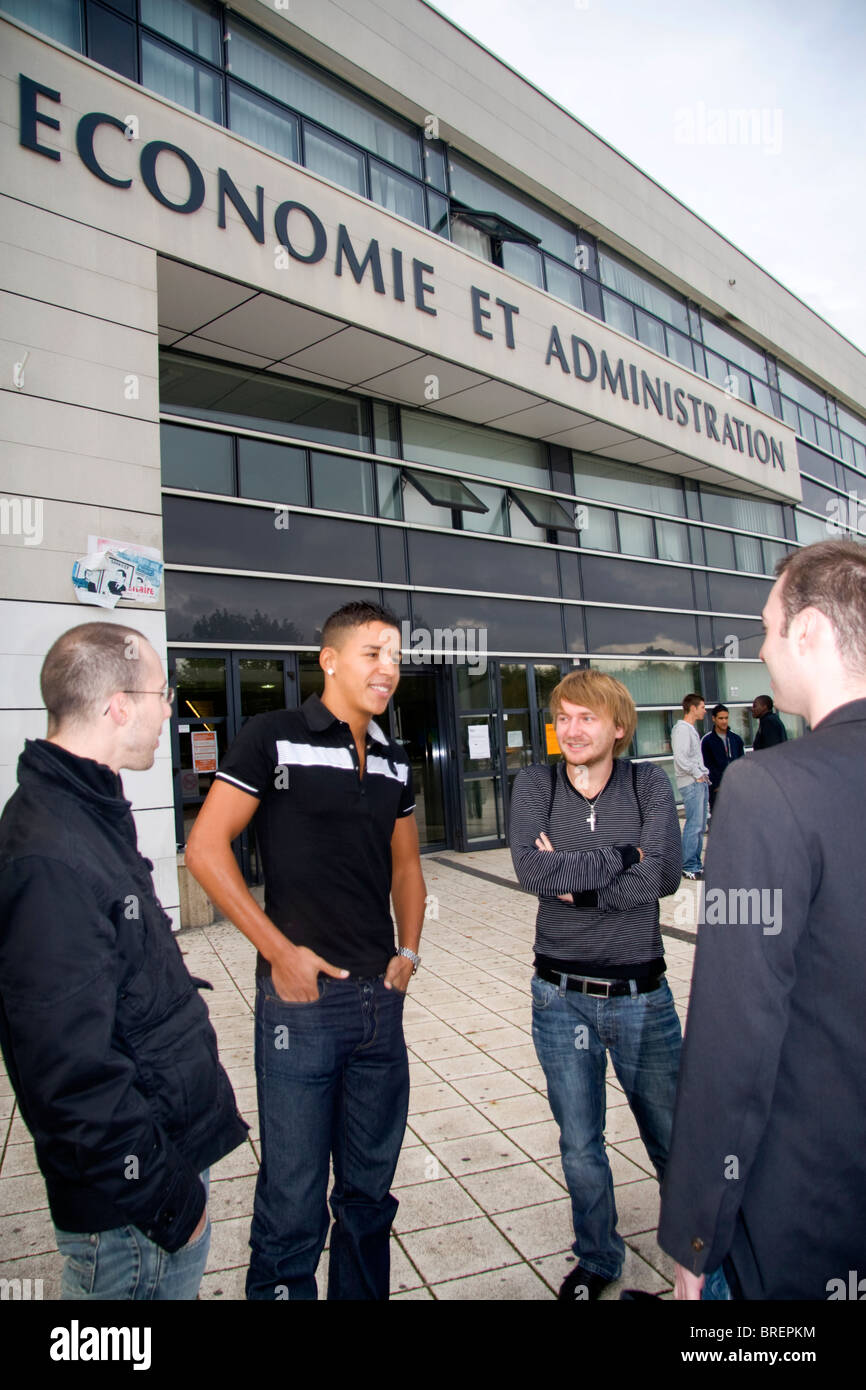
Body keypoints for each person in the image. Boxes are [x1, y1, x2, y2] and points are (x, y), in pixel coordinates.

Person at [186, 600, 426, 1301]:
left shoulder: (393, 757)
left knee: (367, 1199)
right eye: (374, 653)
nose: (390, 669)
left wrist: (409, 951)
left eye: (397, 657)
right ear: (329, 659)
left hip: (380, 1008)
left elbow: (408, 868)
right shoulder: (272, 737)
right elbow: (205, 849)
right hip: (302, 1007)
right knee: (291, 1204)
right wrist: (279, 951)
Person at [0, 622, 247, 1300]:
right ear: (117, 706)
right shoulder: (48, 851)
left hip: (160, 1169)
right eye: (163, 692)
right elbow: (70, 1077)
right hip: (132, 1216)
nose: (172, 707)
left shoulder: (90, 813)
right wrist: (174, 1205)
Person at [658, 539, 866, 1299]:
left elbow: (733, 1036)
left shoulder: (769, 789)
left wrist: (694, 1232)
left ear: (808, 631)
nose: (764, 650)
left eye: (768, 629)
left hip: (804, 1219)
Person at [509, 671, 682, 1301]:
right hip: (558, 996)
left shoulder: (648, 783)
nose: (572, 730)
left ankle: (704, 1255)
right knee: (580, 1144)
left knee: (672, 1138)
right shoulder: (535, 784)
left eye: (587, 718)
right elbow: (530, 870)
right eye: (563, 717)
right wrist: (623, 858)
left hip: (642, 996)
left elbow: (665, 877)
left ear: (618, 726)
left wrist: (578, 881)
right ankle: (599, 1257)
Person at [670, 694, 709, 879]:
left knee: (700, 825)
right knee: (694, 825)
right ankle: (688, 866)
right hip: (692, 783)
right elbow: (681, 758)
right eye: (702, 706)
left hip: (698, 781)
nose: (704, 710)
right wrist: (697, 774)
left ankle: (695, 864)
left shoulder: (690, 729)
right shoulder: (682, 730)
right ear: (692, 708)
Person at [700, 704, 744, 814]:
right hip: (717, 789)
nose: (724, 721)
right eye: (721, 718)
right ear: (714, 719)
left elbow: (741, 762)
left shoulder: (736, 739)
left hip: (735, 787)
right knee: (719, 821)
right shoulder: (707, 741)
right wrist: (716, 785)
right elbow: (706, 765)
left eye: (726, 718)